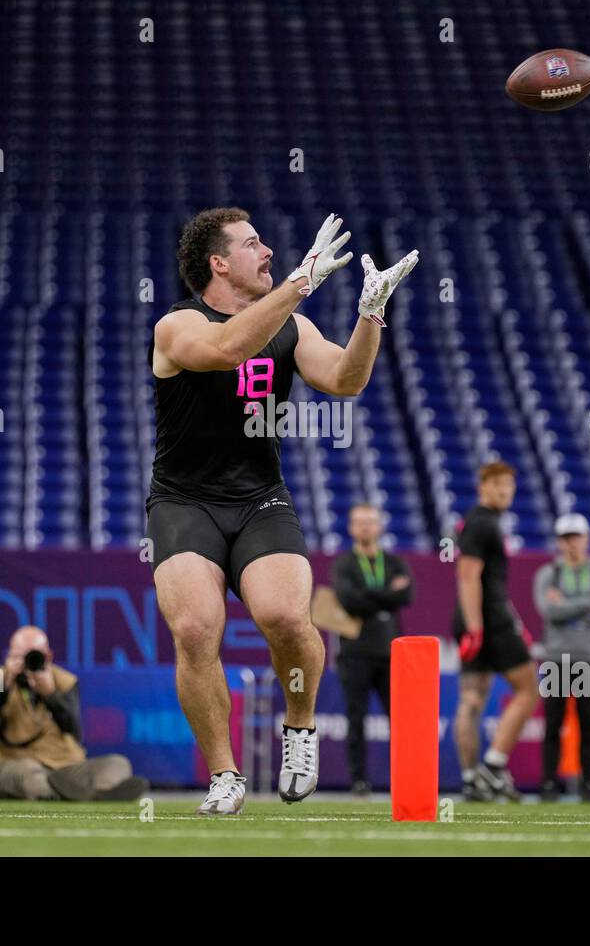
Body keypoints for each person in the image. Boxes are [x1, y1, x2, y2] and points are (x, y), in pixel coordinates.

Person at [146, 208, 417, 815]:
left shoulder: (294, 326)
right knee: (194, 630)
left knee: (288, 619)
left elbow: (346, 381)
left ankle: (299, 728)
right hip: (184, 501)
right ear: (218, 264)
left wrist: (370, 315)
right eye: (252, 244)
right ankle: (224, 775)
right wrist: (301, 281)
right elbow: (223, 350)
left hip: (261, 498)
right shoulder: (177, 325)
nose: (267, 250)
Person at [0, 625, 147, 801]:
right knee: (29, 773)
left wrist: (51, 695)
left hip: (62, 768)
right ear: (9, 656)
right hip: (15, 763)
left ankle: (67, 791)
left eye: (34, 656)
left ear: (48, 656)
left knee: (118, 764)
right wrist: (4, 688)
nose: (27, 662)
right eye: (20, 656)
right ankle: (85, 792)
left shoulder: (64, 681)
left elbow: (75, 731)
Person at [452, 461, 538, 802]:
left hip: (484, 618)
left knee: (472, 699)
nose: (505, 491)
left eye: (509, 485)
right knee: (528, 690)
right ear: (483, 486)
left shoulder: (479, 521)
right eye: (498, 484)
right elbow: (468, 575)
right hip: (488, 621)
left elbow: (491, 582)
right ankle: (493, 767)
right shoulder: (483, 523)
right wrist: (477, 628)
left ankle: (473, 779)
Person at [532, 513, 590, 803]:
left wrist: (567, 605)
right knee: (553, 724)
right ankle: (549, 782)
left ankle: (589, 781)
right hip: (557, 658)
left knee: (589, 725)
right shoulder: (548, 574)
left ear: (587, 539)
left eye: (576, 537)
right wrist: (586, 605)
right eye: (566, 538)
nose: (572, 544)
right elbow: (549, 611)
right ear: (558, 542)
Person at [331, 503, 413, 796]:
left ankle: (404, 779)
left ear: (379, 526)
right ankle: (359, 780)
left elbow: (408, 595)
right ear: (352, 528)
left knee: (400, 721)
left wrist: (371, 597)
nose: (365, 527)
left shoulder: (393, 561)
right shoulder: (344, 563)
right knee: (357, 719)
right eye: (359, 522)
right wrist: (387, 595)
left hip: (391, 653)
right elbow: (348, 600)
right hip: (354, 653)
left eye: (370, 522)